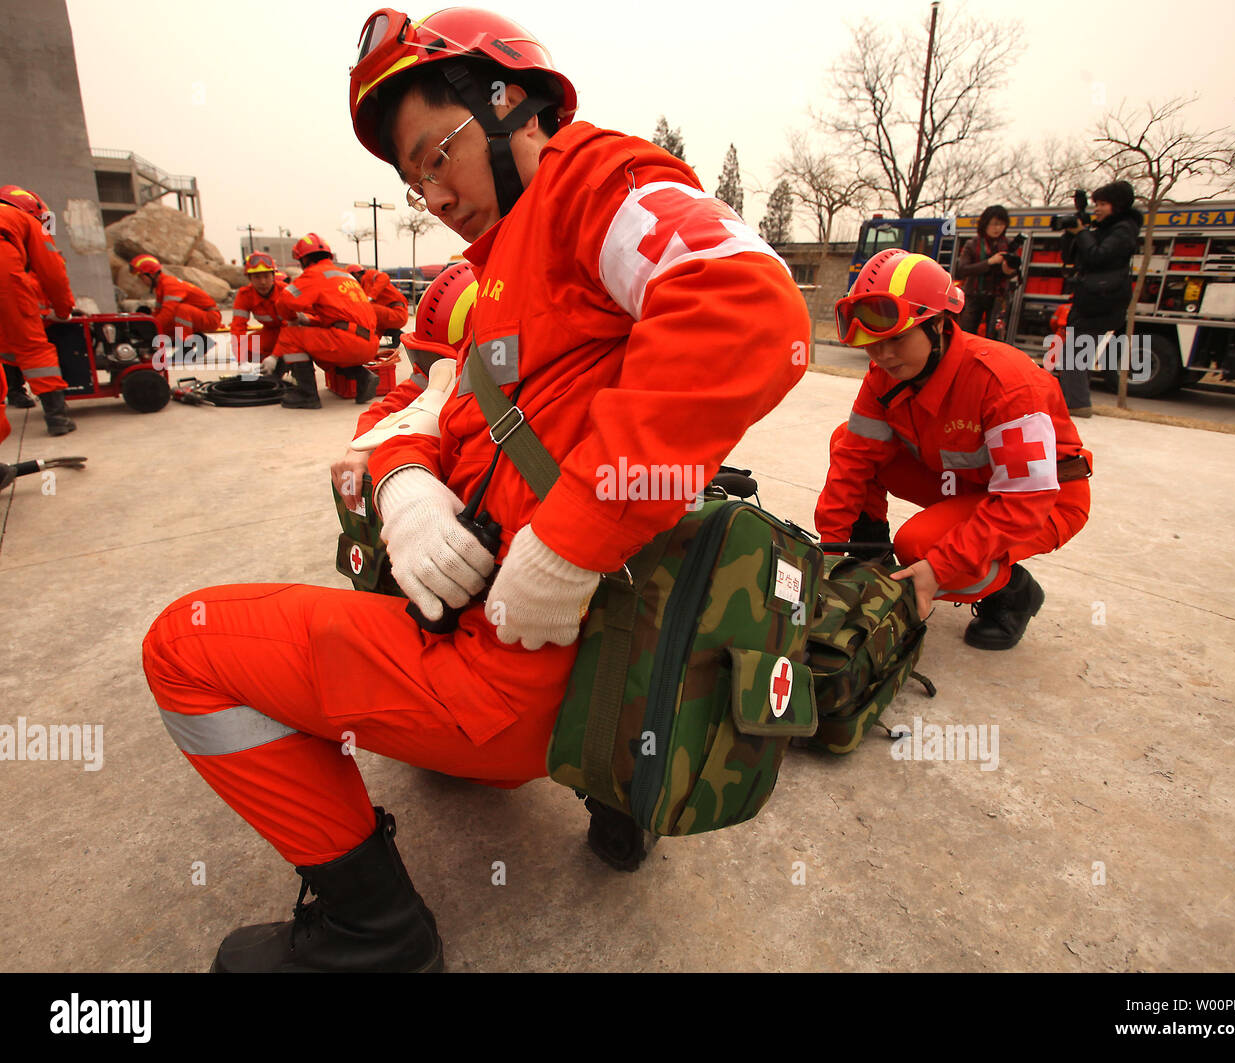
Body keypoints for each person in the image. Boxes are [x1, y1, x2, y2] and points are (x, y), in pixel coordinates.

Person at [140, 5, 808, 973]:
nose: (430, 192)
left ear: (514, 106)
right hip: (580, 671)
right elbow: (427, 419)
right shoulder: (495, 270)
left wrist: (572, 539)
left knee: (184, 648)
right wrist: (407, 488)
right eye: (412, 177)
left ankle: (373, 930)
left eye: (438, 152)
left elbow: (750, 307)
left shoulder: (591, 181)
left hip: (504, 676)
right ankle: (610, 779)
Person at [815, 247, 1093, 652]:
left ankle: (1013, 593)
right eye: (873, 344)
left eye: (897, 339)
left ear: (939, 324)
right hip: (963, 483)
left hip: (1042, 501)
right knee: (846, 438)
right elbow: (852, 463)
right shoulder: (884, 377)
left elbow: (1024, 500)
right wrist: (831, 553)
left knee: (921, 546)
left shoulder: (1006, 384)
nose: (882, 355)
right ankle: (869, 562)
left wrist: (939, 567)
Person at [333, 260, 479, 513]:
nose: (431, 373)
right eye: (426, 360)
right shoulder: (436, 371)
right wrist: (358, 448)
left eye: (442, 363)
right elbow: (392, 406)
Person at [1058, 180, 1143, 418]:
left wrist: (1083, 233)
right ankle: (1073, 401)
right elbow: (1073, 257)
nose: (1098, 208)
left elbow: (1098, 256)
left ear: (1118, 205)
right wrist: (1074, 233)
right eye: (1096, 203)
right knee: (1077, 354)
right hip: (1092, 300)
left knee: (1075, 355)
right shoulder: (1105, 229)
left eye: (1103, 204)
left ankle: (1076, 404)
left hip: (1099, 302)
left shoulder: (1124, 229)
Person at [0, 184, 79, 435]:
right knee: (32, 345)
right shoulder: (29, 221)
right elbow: (53, 273)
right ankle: (57, 418)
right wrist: (64, 310)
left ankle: (12, 391)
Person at [273, 234, 380, 409]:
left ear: (304, 259)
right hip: (368, 343)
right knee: (320, 345)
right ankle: (361, 375)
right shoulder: (345, 275)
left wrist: (292, 320)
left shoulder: (314, 274)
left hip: (346, 342)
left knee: (291, 335)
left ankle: (307, 395)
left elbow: (285, 301)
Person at [128, 253, 221, 354]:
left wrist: (152, 329)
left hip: (211, 317)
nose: (141, 281)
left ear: (151, 274)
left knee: (180, 310)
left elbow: (168, 313)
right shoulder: (161, 287)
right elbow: (159, 314)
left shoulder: (170, 285)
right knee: (170, 321)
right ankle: (202, 341)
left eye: (141, 277)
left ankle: (186, 348)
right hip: (200, 316)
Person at [955, 204, 1018, 339]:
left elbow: (1013, 272)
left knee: (994, 336)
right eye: (993, 224)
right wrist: (989, 262)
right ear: (985, 224)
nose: (997, 228)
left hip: (998, 296)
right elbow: (962, 269)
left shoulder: (1009, 245)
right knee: (966, 333)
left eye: (1001, 224)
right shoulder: (972, 244)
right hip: (974, 294)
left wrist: (1009, 271)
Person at [229, 251, 288, 375]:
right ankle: (271, 368)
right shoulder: (245, 295)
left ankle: (294, 369)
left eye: (266, 276)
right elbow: (238, 328)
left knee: (298, 348)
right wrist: (242, 361)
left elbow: (290, 328)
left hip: (292, 333)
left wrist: (275, 356)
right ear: (249, 278)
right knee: (248, 347)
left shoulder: (285, 292)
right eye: (257, 277)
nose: (262, 282)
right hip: (272, 332)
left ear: (273, 275)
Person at [345, 262, 411, 341]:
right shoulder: (363, 287)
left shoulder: (369, 275)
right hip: (392, 316)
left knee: (364, 309)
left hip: (398, 314)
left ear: (355, 274)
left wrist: (371, 296)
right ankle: (390, 335)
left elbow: (384, 277)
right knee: (365, 311)